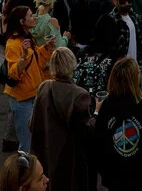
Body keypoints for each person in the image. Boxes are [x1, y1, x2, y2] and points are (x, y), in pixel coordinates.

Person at [30, 47, 95, 191]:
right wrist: (96, 114)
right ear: (72, 63)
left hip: (46, 160)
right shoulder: (79, 95)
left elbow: (32, 124)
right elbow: (85, 132)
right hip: (69, 162)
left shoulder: (43, 88)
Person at [92, 58, 142, 191]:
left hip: (114, 177)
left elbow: (99, 143)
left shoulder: (107, 106)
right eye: (138, 72)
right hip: (140, 176)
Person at [3, 6, 57, 153]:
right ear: (22, 21)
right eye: (30, 16)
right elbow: (13, 73)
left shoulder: (27, 38)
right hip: (22, 99)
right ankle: (26, 173)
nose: (34, 18)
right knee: (27, 143)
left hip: (34, 95)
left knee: (37, 139)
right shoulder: (13, 44)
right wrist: (24, 55)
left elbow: (36, 60)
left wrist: (46, 47)